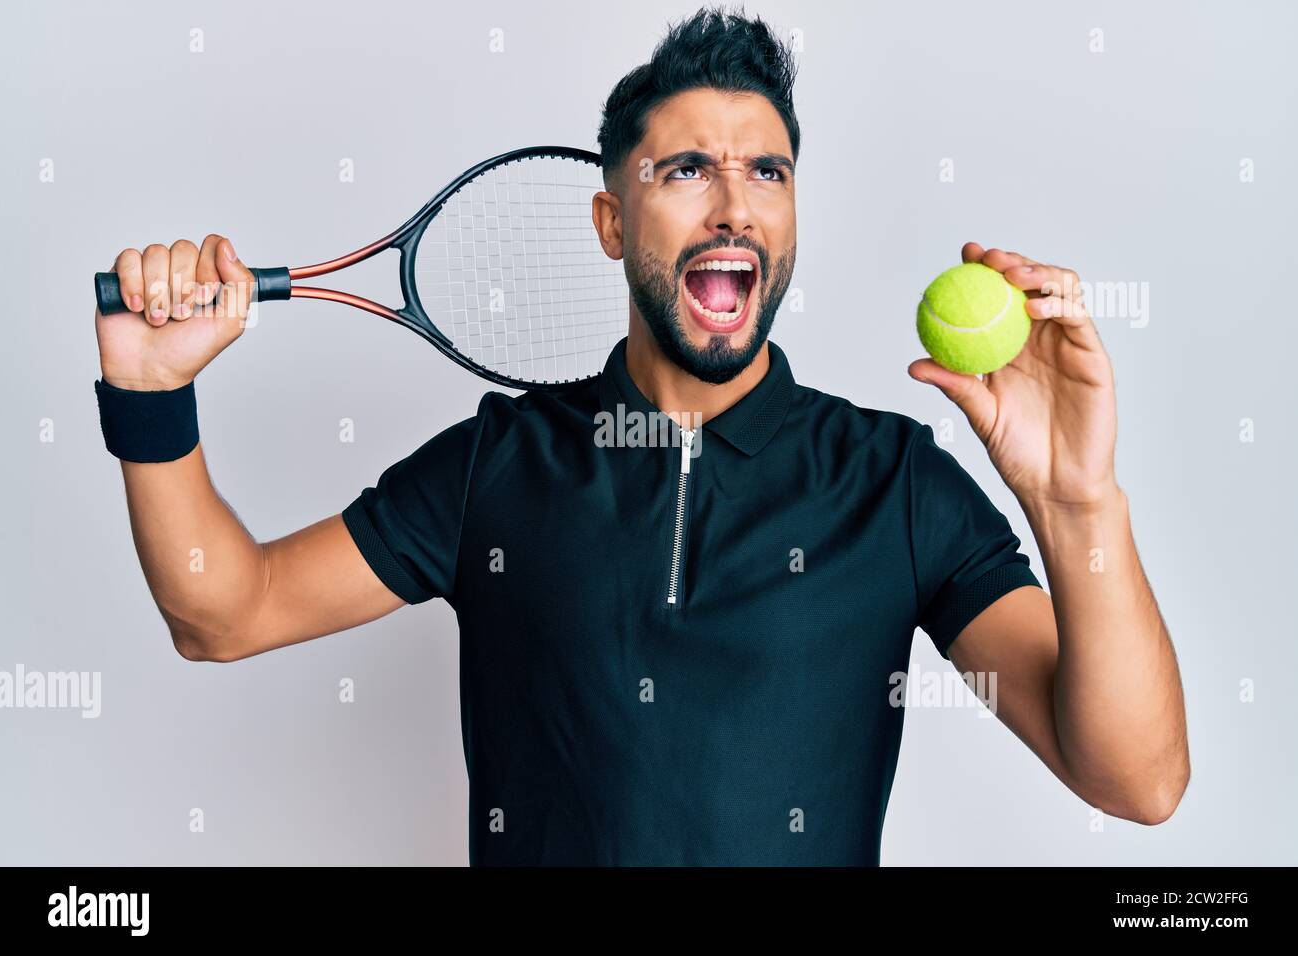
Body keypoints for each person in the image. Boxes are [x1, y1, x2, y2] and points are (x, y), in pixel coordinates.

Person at [92, 7, 1188, 865]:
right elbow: (221, 611)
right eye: (686, 170)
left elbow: (1136, 780)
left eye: (767, 171)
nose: (734, 205)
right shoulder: (496, 467)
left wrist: (1074, 503)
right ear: (612, 219)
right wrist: (149, 398)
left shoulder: (893, 483)